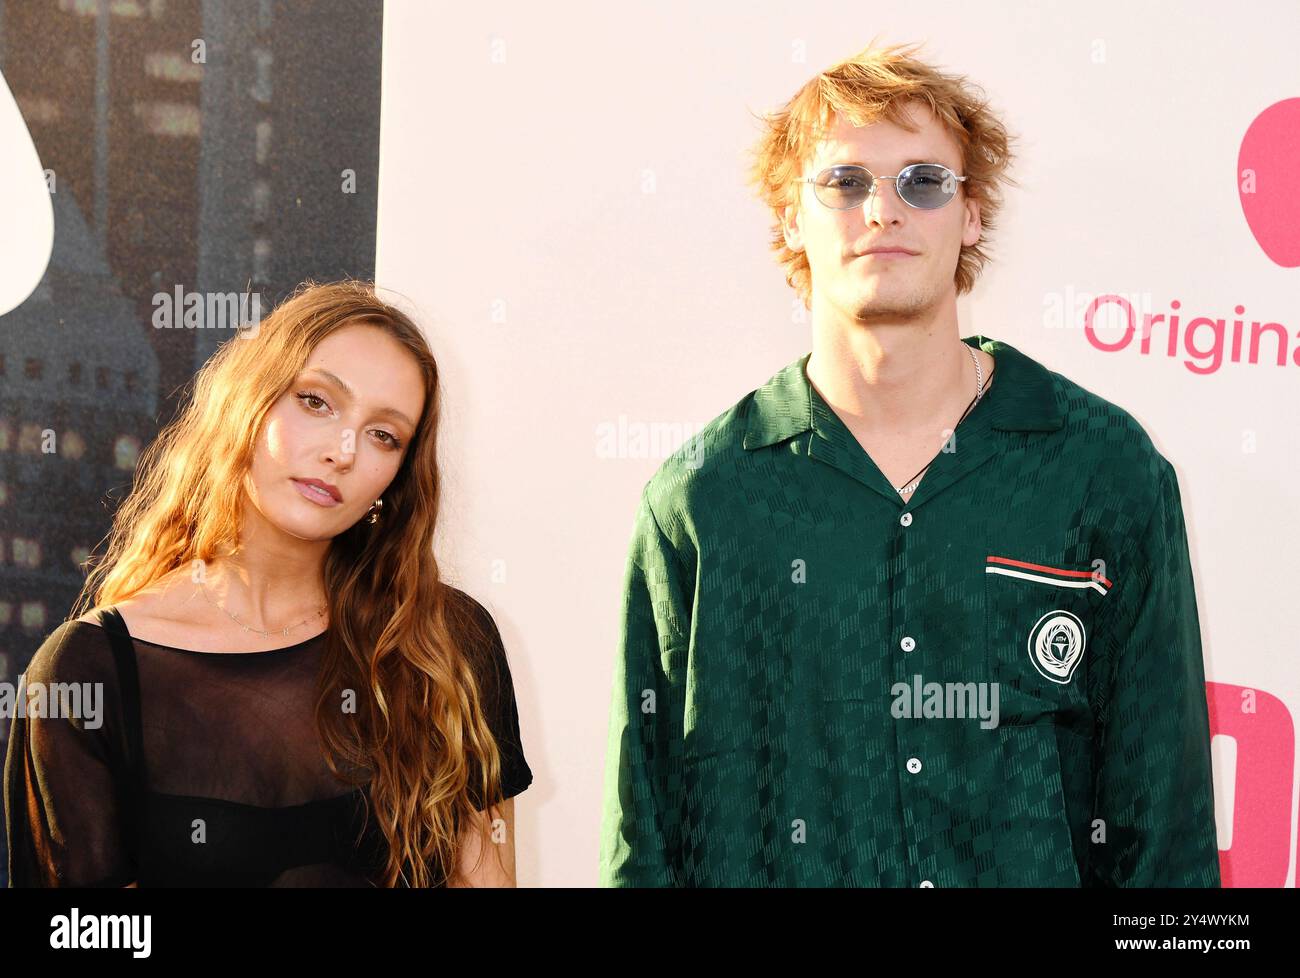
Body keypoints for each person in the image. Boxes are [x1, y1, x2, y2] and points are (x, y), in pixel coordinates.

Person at [598, 41, 1219, 887]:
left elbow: (1167, 821)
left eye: (924, 182)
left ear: (970, 216)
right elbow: (646, 832)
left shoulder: (1102, 468)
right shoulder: (702, 500)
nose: (882, 211)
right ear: (790, 217)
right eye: (845, 183)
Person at [5, 279, 533, 887]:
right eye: (316, 402)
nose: (343, 451)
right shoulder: (89, 670)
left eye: (383, 435)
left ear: (396, 479)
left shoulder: (445, 642)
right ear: (247, 403)